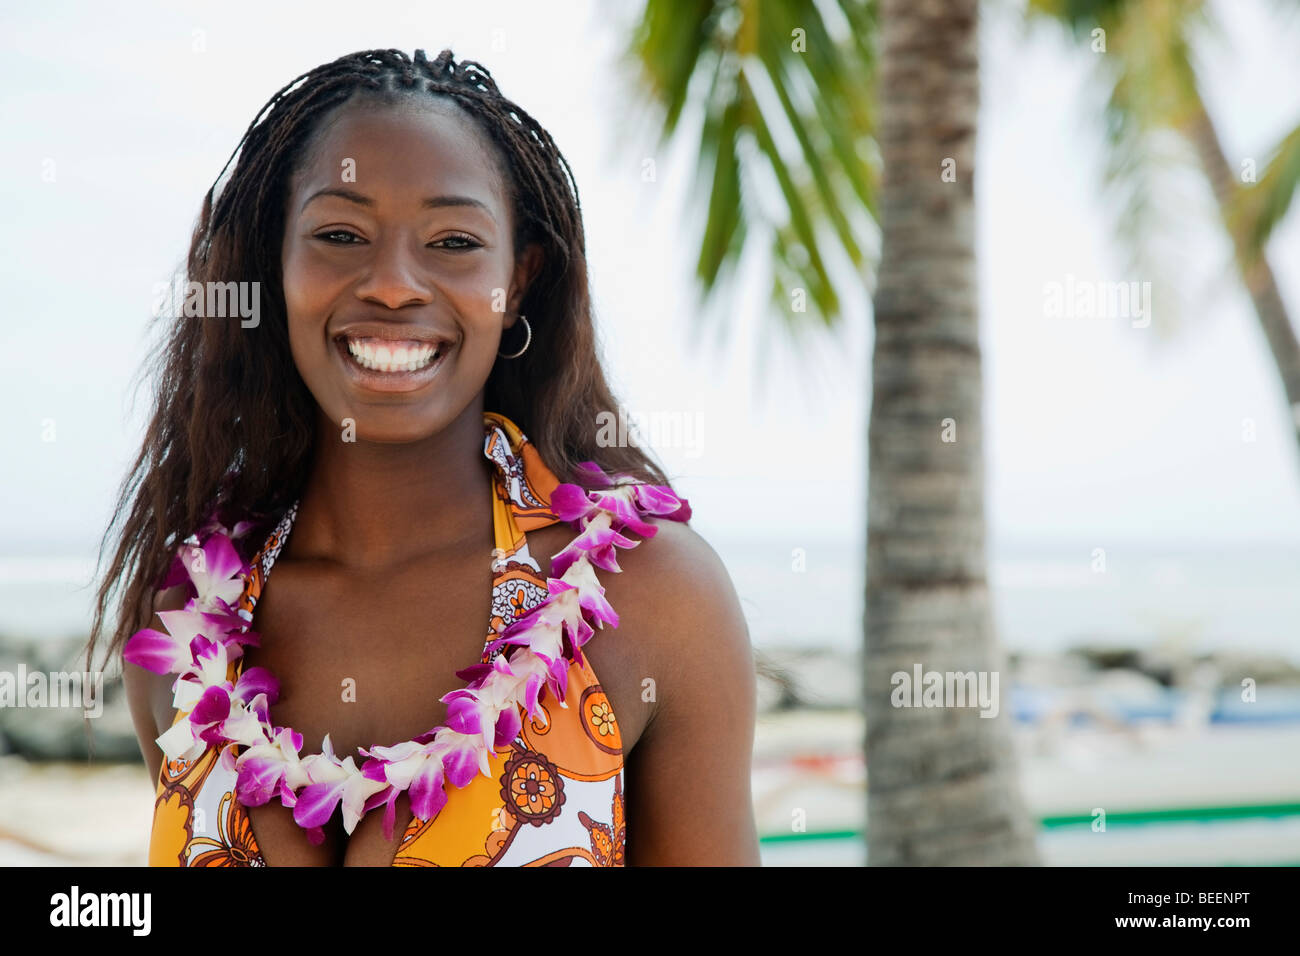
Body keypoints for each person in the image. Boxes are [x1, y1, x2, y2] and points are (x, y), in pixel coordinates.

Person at [87, 48, 759, 866]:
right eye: (340, 233)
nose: (395, 285)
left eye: (452, 241)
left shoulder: (652, 602)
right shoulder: (182, 625)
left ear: (520, 277)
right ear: (274, 263)